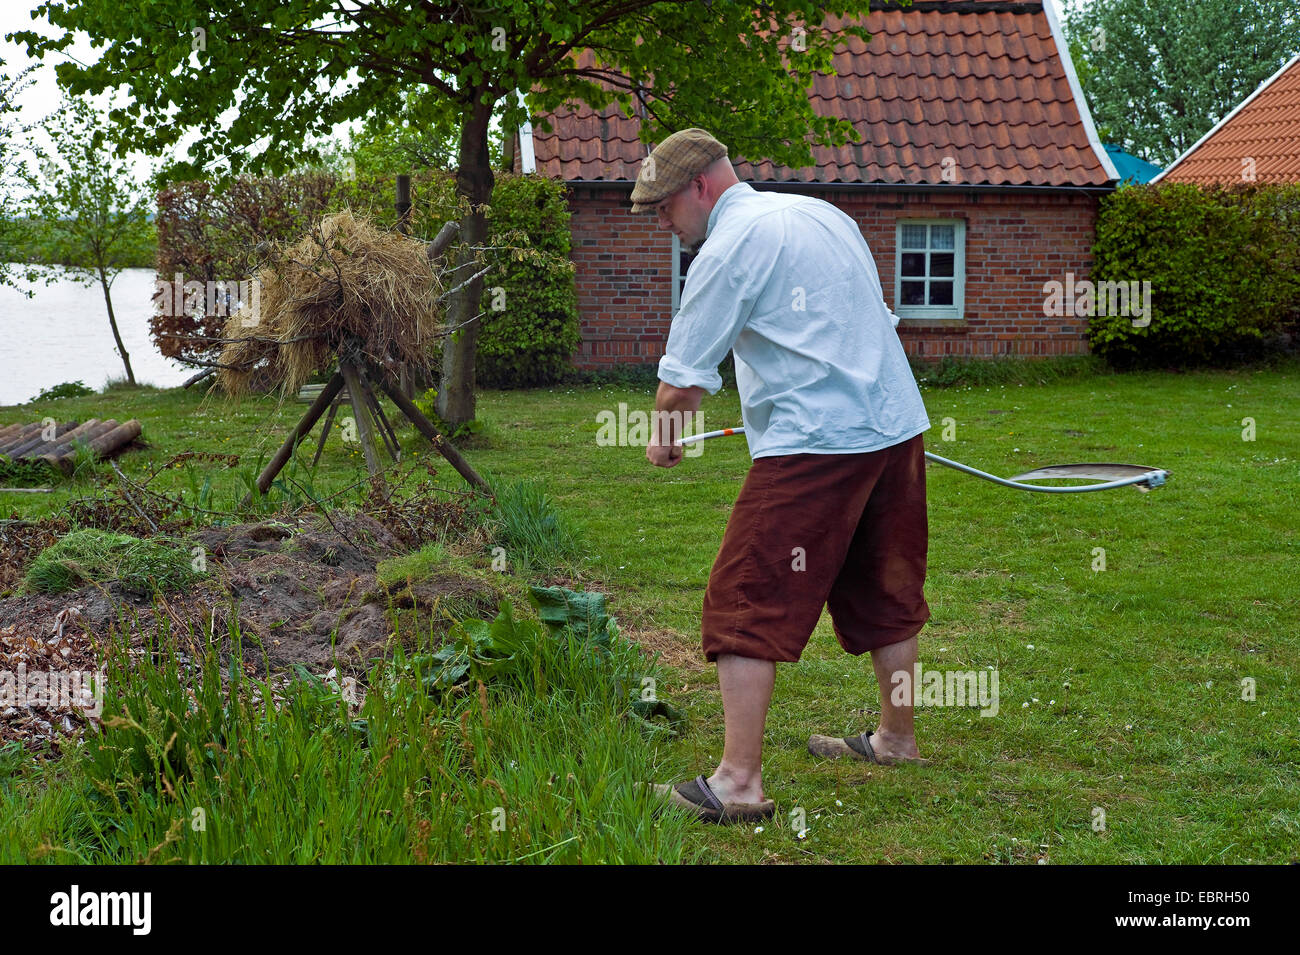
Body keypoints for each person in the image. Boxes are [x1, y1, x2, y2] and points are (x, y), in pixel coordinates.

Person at [637, 128, 933, 824]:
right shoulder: (821, 214)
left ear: (699, 187)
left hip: (817, 443)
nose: (660, 221)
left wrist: (664, 440)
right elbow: (874, 324)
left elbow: (681, 384)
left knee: (745, 591)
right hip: (894, 426)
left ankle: (738, 782)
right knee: (885, 582)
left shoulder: (728, 247)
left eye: (662, 205)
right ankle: (896, 738)